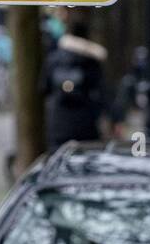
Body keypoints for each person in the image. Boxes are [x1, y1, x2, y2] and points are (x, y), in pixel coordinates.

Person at [39, 19, 119, 150]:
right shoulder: (91, 61)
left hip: (58, 124)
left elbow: (43, 88)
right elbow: (103, 92)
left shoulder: (53, 59)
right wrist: (115, 118)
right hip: (85, 124)